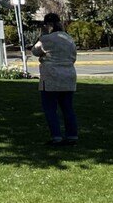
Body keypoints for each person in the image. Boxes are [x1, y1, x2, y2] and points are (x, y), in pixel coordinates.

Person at [33, 13, 78, 146]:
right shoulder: (69, 39)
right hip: (68, 76)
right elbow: (73, 57)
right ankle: (72, 136)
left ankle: (56, 136)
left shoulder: (46, 39)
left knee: (50, 109)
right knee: (68, 108)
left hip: (51, 77)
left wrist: (41, 37)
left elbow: (35, 51)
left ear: (48, 25)